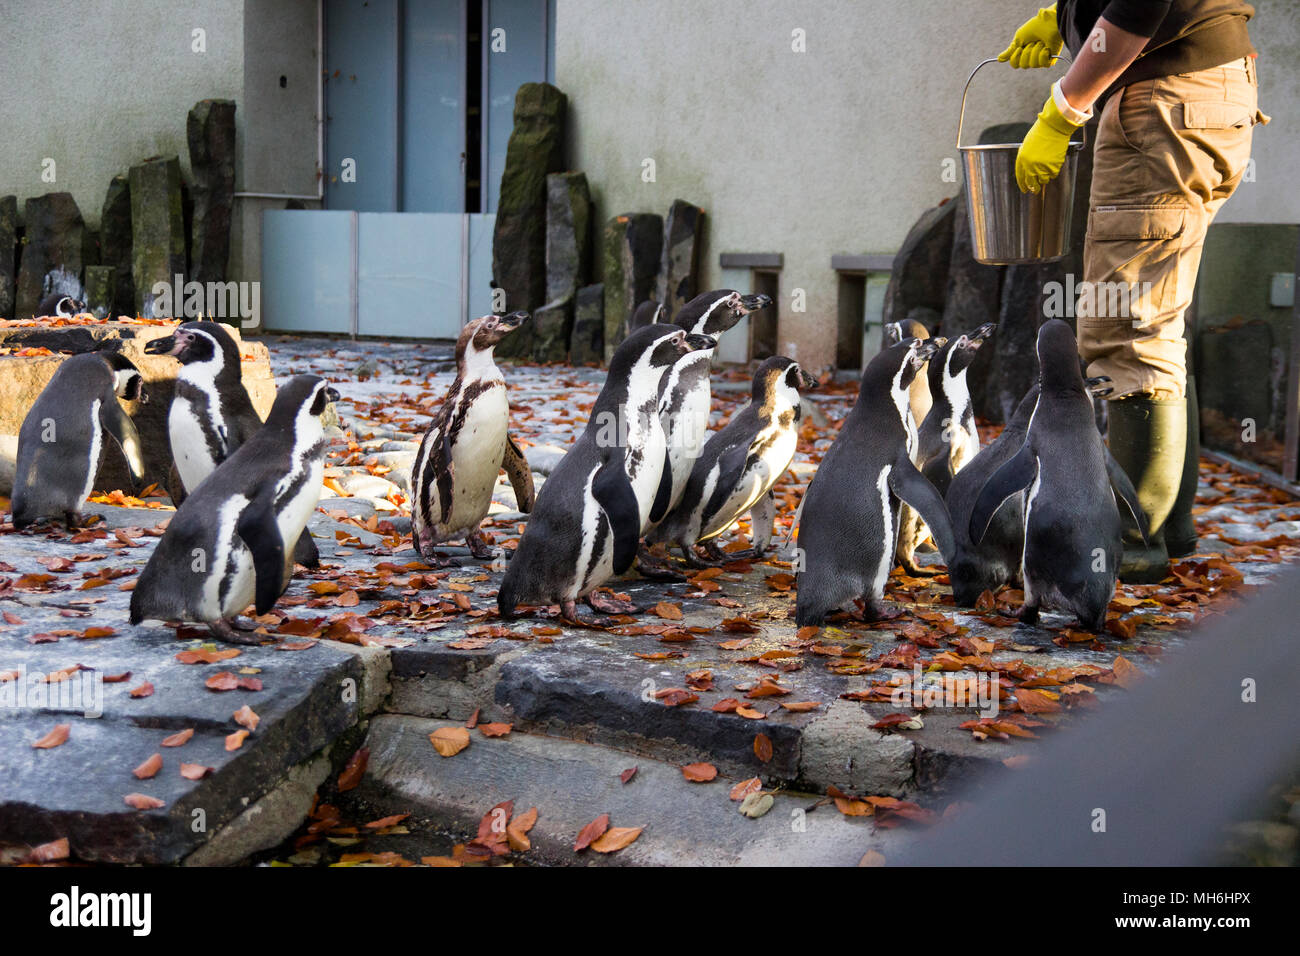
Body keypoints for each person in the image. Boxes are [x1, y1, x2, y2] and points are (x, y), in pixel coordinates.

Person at [1000, 1, 1267, 582]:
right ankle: (1165, 532)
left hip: (1163, 102)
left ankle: (1126, 547)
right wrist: (1067, 14)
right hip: (1193, 93)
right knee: (1153, 318)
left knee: (1129, 323)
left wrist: (1063, 108)